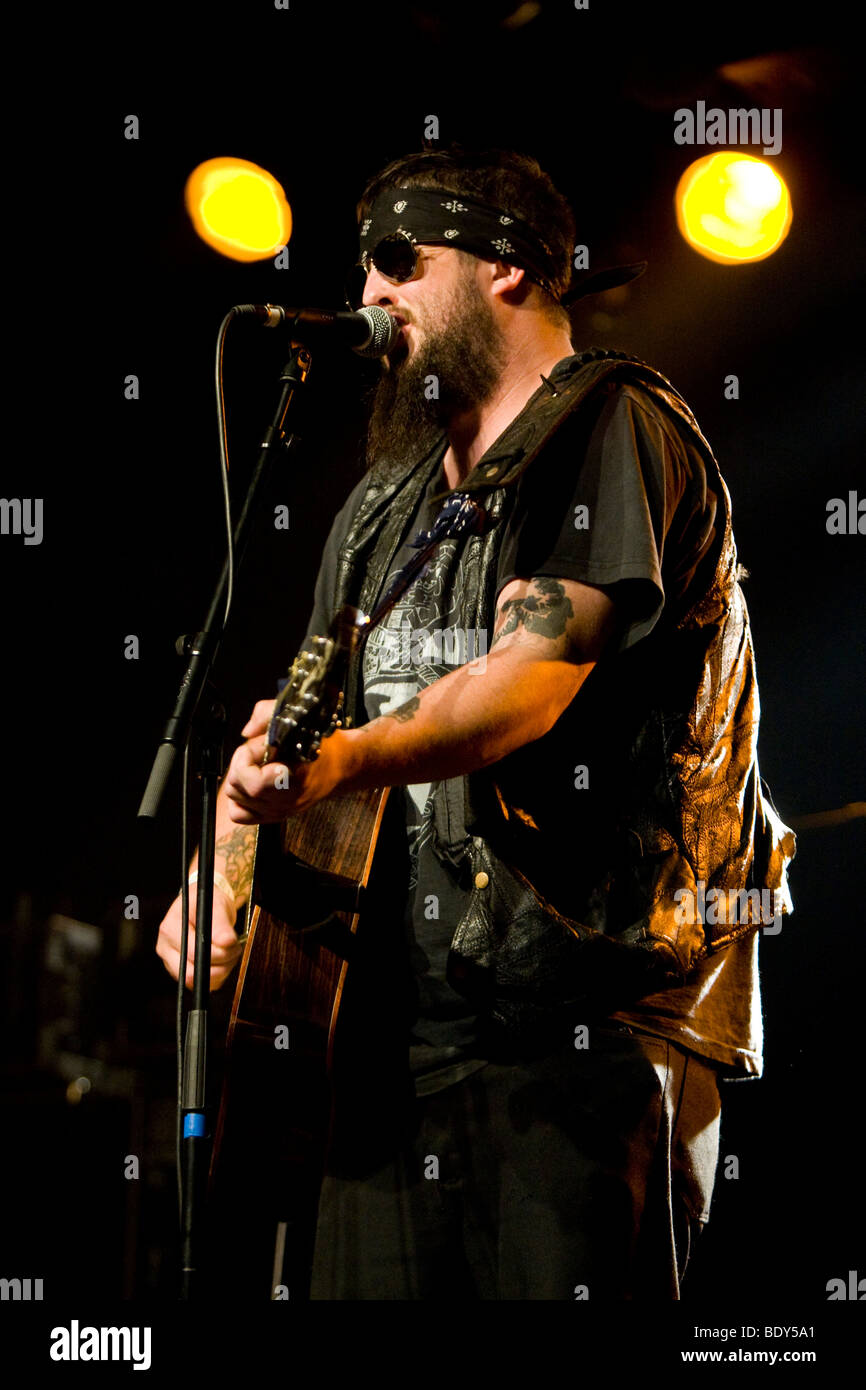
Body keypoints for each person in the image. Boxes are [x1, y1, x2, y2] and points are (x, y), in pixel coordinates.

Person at [156, 146, 796, 1300]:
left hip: (586, 1033)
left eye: (400, 260)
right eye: (361, 268)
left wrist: (340, 758)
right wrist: (228, 852)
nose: (369, 295)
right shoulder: (381, 507)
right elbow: (306, 720)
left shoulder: (612, 423)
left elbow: (524, 683)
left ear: (505, 267)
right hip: (391, 1048)